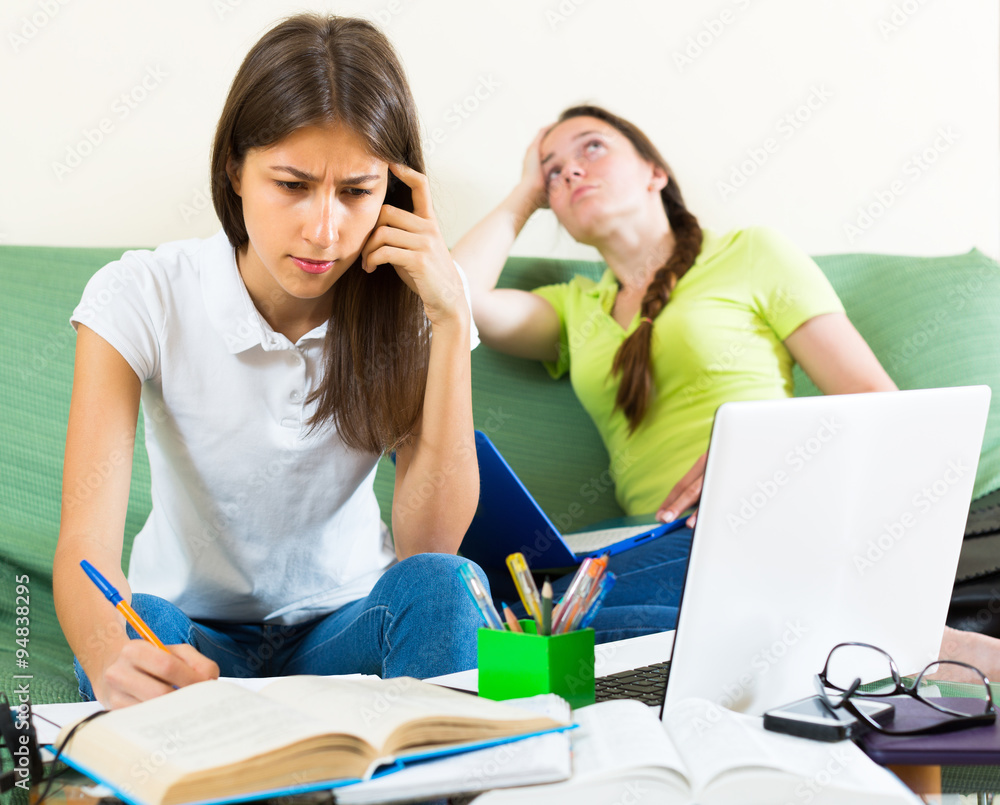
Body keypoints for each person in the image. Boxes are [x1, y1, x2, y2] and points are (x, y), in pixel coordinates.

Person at [451, 104, 998, 675]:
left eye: (591, 148)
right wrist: (522, 194)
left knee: (534, 636)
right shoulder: (573, 307)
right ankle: (871, 637)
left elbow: (873, 398)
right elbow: (453, 299)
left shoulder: (750, 253)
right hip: (660, 539)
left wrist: (750, 455)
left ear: (653, 171)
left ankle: (890, 639)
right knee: (511, 623)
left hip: (770, 512)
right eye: (551, 169)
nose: (569, 172)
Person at [53, 14, 486, 710]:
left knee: (446, 583)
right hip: (195, 635)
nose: (325, 230)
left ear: (396, 191)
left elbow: (428, 543)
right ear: (235, 169)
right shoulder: (142, 294)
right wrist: (109, 657)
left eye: (356, 192)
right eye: (291, 184)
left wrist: (449, 314)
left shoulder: (417, 304)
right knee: (147, 629)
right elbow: (84, 546)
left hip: (345, 630)